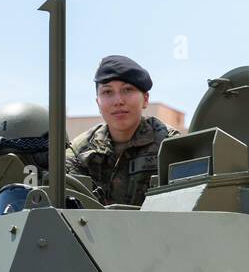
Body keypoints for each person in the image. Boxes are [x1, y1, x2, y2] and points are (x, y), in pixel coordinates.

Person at [66, 55, 178, 207]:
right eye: (107, 92)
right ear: (98, 102)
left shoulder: (169, 144)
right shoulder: (81, 151)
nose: (118, 101)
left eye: (127, 90)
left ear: (145, 99)